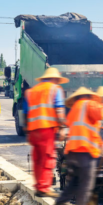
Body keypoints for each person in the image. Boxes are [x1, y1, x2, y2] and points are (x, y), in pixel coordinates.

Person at [56, 87, 103, 205]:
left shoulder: (76, 108)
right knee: (87, 181)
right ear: (95, 97)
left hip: (73, 150)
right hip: (84, 151)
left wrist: (101, 145)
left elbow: (89, 131)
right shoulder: (90, 104)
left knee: (75, 179)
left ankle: (61, 201)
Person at [23, 67, 69, 197]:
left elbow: (26, 113)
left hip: (32, 130)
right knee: (47, 158)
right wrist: (62, 128)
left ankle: (38, 186)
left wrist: (27, 131)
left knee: (37, 159)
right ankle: (44, 188)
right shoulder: (55, 89)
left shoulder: (31, 91)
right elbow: (59, 110)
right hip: (46, 130)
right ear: (55, 79)